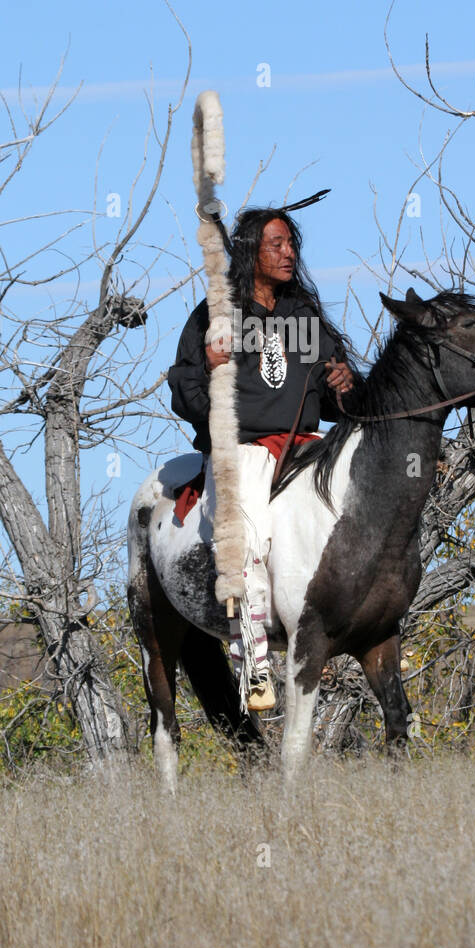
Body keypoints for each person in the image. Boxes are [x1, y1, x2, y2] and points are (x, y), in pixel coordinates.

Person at [168, 207, 357, 708]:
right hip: (243, 450)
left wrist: (344, 384)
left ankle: (367, 628)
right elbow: (182, 388)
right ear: (250, 250)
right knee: (246, 539)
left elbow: (341, 394)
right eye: (276, 244)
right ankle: (252, 660)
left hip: (303, 446)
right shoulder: (215, 314)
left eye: (292, 243)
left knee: (356, 513)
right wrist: (209, 370)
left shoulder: (303, 315)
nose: (289, 252)